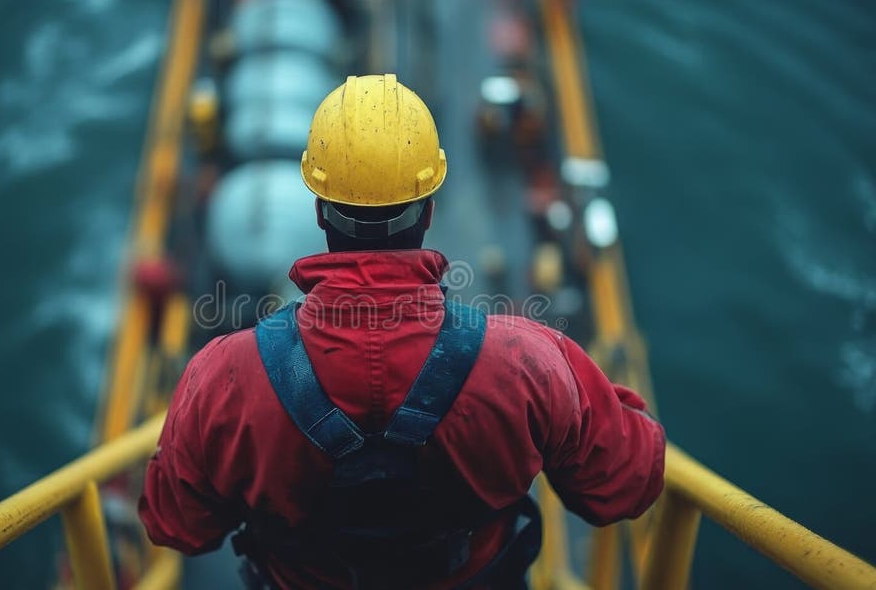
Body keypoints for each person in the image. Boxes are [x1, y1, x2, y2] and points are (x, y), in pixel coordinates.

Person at [138, 74, 665, 589]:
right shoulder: (528, 363)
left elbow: (176, 526)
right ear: (429, 211)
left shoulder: (224, 377)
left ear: (319, 211)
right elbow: (623, 484)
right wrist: (598, 399)